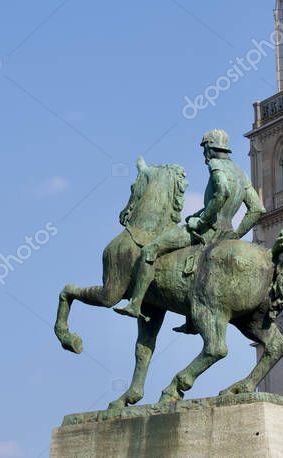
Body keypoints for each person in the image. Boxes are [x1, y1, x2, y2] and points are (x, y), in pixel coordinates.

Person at [114, 129, 265, 331]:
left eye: (204, 149)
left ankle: (134, 304)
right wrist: (235, 235)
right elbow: (257, 209)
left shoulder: (215, 165)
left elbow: (221, 192)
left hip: (207, 231)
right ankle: (192, 320)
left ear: (210, 148)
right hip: (226, 233)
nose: (204, 155)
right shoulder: (240, 173)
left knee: (150, 250)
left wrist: (201, 220)